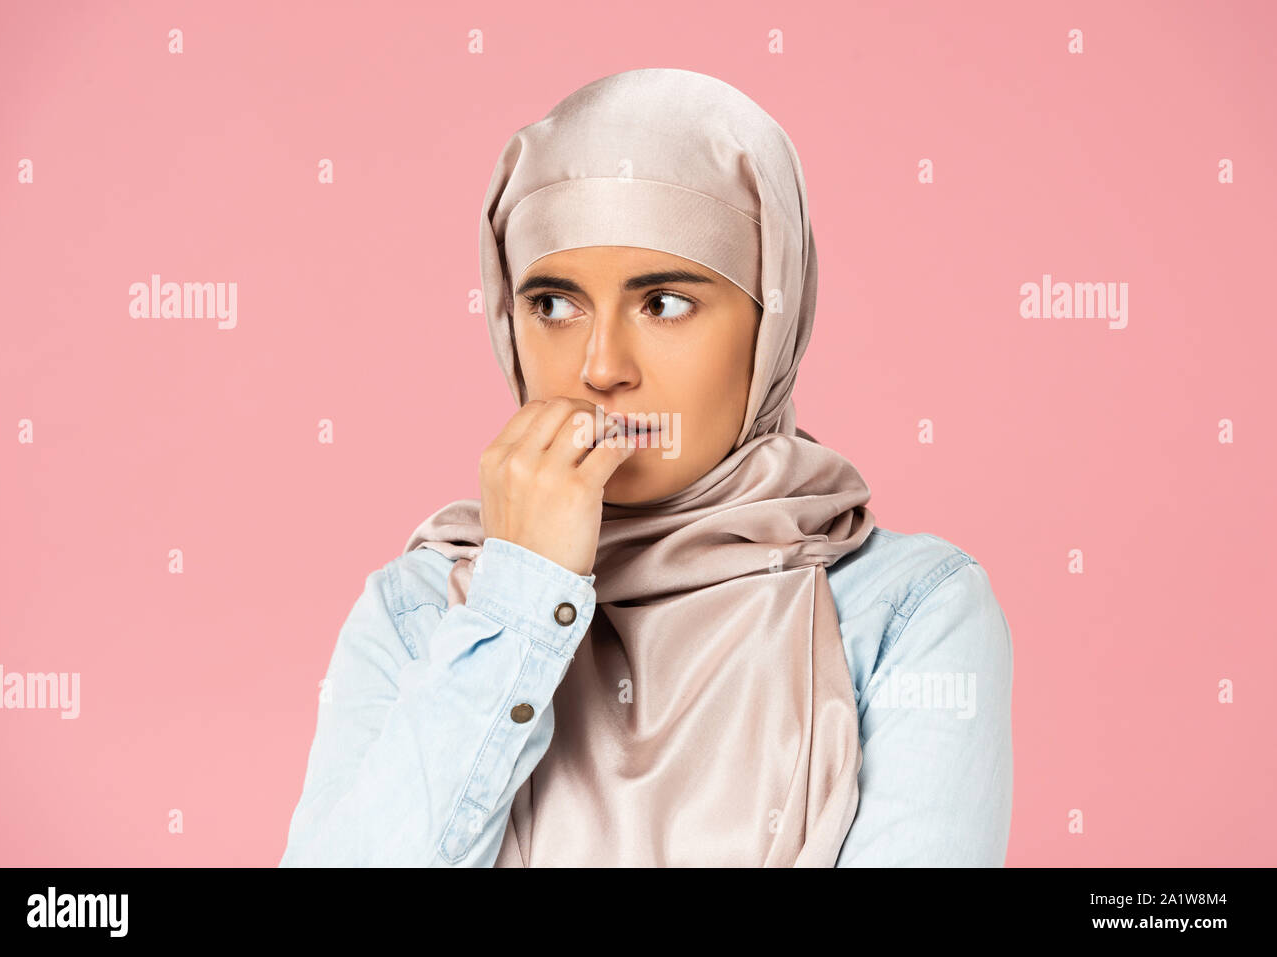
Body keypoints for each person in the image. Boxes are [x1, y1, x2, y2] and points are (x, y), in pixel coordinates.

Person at [279, 67, 1013, 867]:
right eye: (553, 305)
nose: (600, 367)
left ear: (774, 320)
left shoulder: (905, 611)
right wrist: (520, 599)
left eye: (664, 302)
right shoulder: (423, 608)